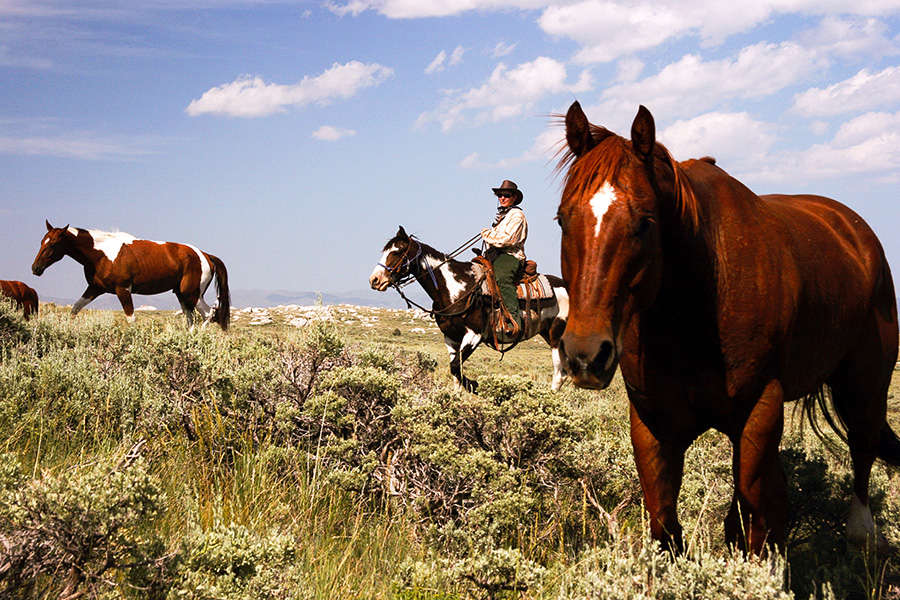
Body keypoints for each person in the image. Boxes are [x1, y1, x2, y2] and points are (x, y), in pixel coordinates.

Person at [481, 179, 528, 334]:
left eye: (506, 195)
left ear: (514, 197)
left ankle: (514, 321)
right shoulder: (502, 216)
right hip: (496, 254)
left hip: (511, 256)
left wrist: (487, 235)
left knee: (501, 278)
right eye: (500, 195)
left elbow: (507, 240)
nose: (502, 198)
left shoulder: (517, 215)